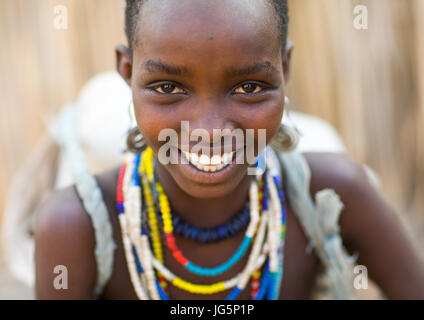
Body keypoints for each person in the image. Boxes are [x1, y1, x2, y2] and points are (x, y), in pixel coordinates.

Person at [34, 0, 424, 300]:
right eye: (168, 88)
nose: (208, 129)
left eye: (249, 87)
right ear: (127, 71)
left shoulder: (331, 195)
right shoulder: (78, 227)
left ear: (284, 69)